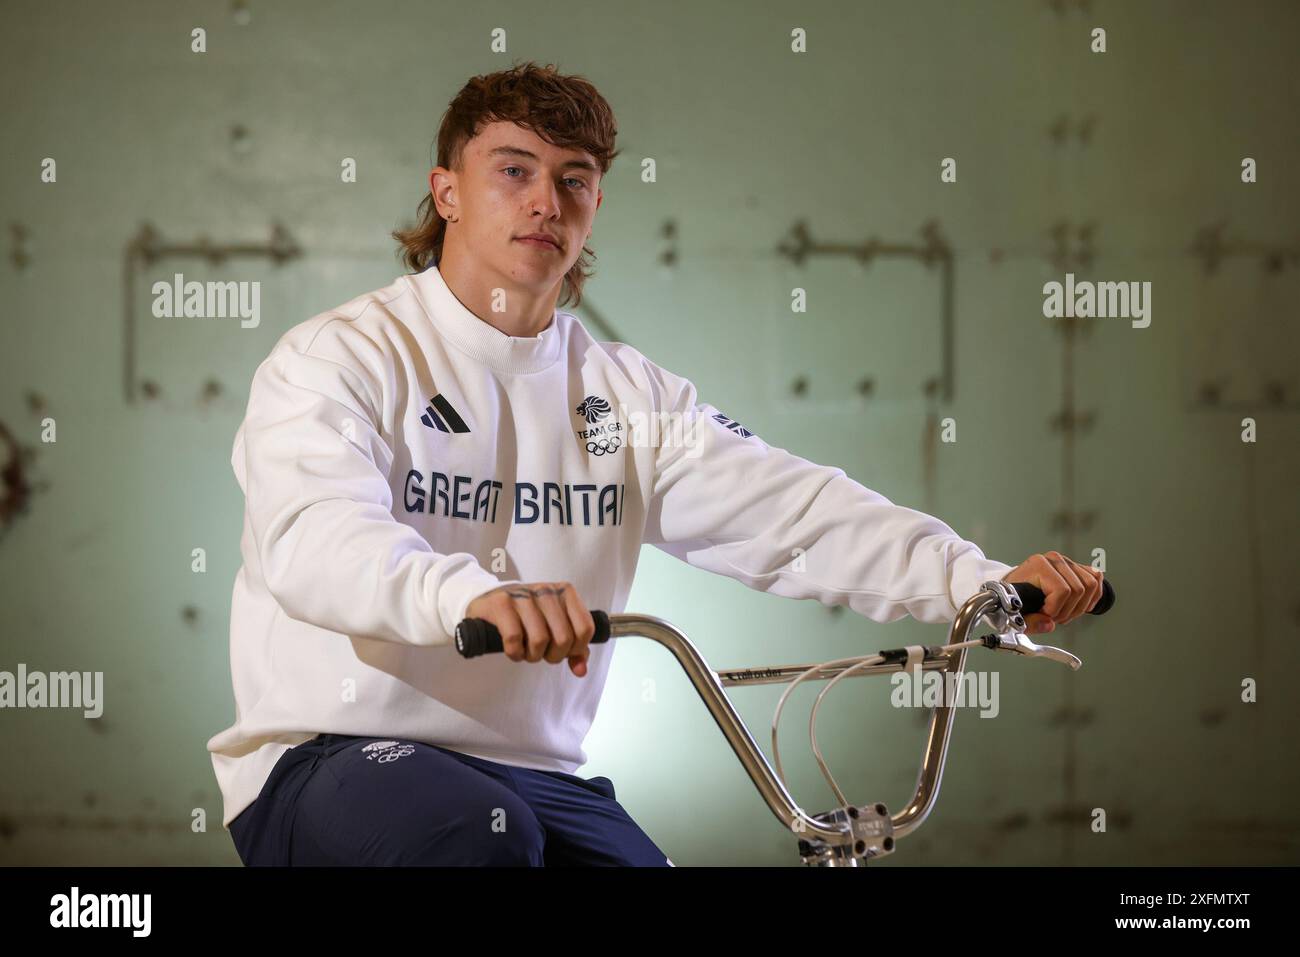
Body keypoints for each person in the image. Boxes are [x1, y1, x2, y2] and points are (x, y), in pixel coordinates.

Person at [207, 61, 1104, 867]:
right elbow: (314, 537)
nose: (544, 202)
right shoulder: (341, 357)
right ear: (446, 191)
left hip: (533, 771)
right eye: (513, 170)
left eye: (575, 180)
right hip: (330, 753)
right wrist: (467, 598)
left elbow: (789, 509)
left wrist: (975, 581)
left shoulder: (624, 395)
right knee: (470, 835)